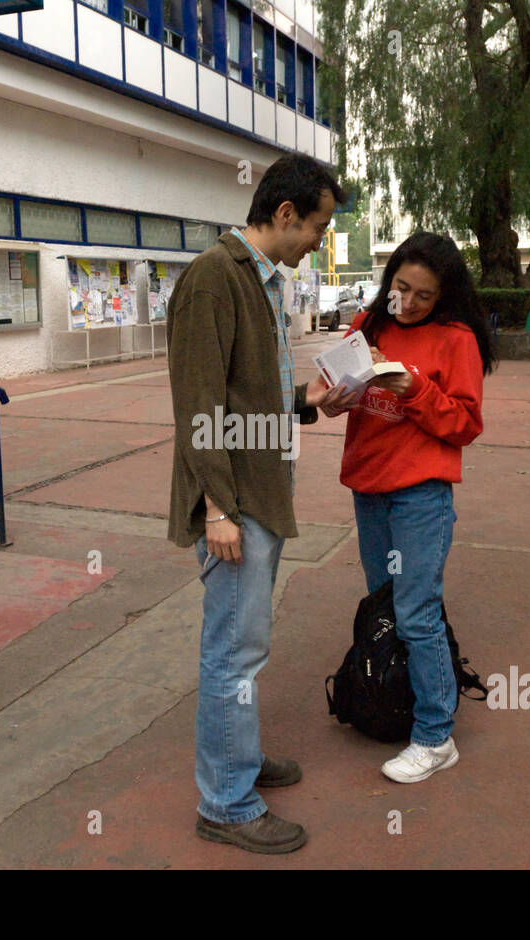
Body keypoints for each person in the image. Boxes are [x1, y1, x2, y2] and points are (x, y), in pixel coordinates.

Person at [167, 154, 346, 855]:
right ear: (284, 214)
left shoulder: (263, 282)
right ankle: (227, 803)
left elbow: (250, 395)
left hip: (260, 493)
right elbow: (200, 405)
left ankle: (236, 760)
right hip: (234, 500)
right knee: (232, 654)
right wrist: (216, 508)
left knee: (246, 646)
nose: (320, 241)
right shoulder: (216, 277)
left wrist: (306, 401)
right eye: (319, 226)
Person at [320, 232, 493, 783]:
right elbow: (328, 399)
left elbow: (464, 424)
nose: (409, 302)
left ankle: (435, 735)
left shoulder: (455, 338)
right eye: (401, 288)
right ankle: (393, 700)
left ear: (444, 295)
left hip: (421, 492)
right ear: (388, 279)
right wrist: (336, 395)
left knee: (418, 611)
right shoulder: (368, 326)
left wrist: (411, 386)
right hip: (368, 488)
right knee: (387, 607)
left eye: (424, 294)